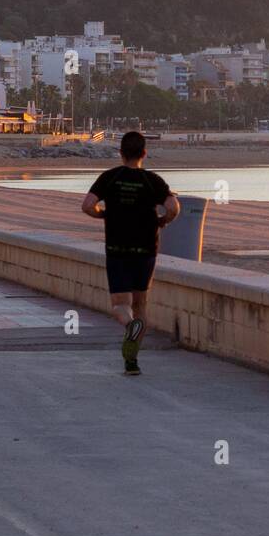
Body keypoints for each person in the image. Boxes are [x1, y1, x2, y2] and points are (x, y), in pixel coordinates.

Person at [81, 131, 180, 375]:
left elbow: (86, 205)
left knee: (120, 305)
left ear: (121, 153)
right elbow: (173, 207)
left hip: (117, 248)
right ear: (144, 153)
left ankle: (129, 324)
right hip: (146, 248)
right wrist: (163, 220)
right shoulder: (152, 181)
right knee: (141, 303)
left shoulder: (110, 177)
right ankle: (132, 360)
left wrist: (102, 214)